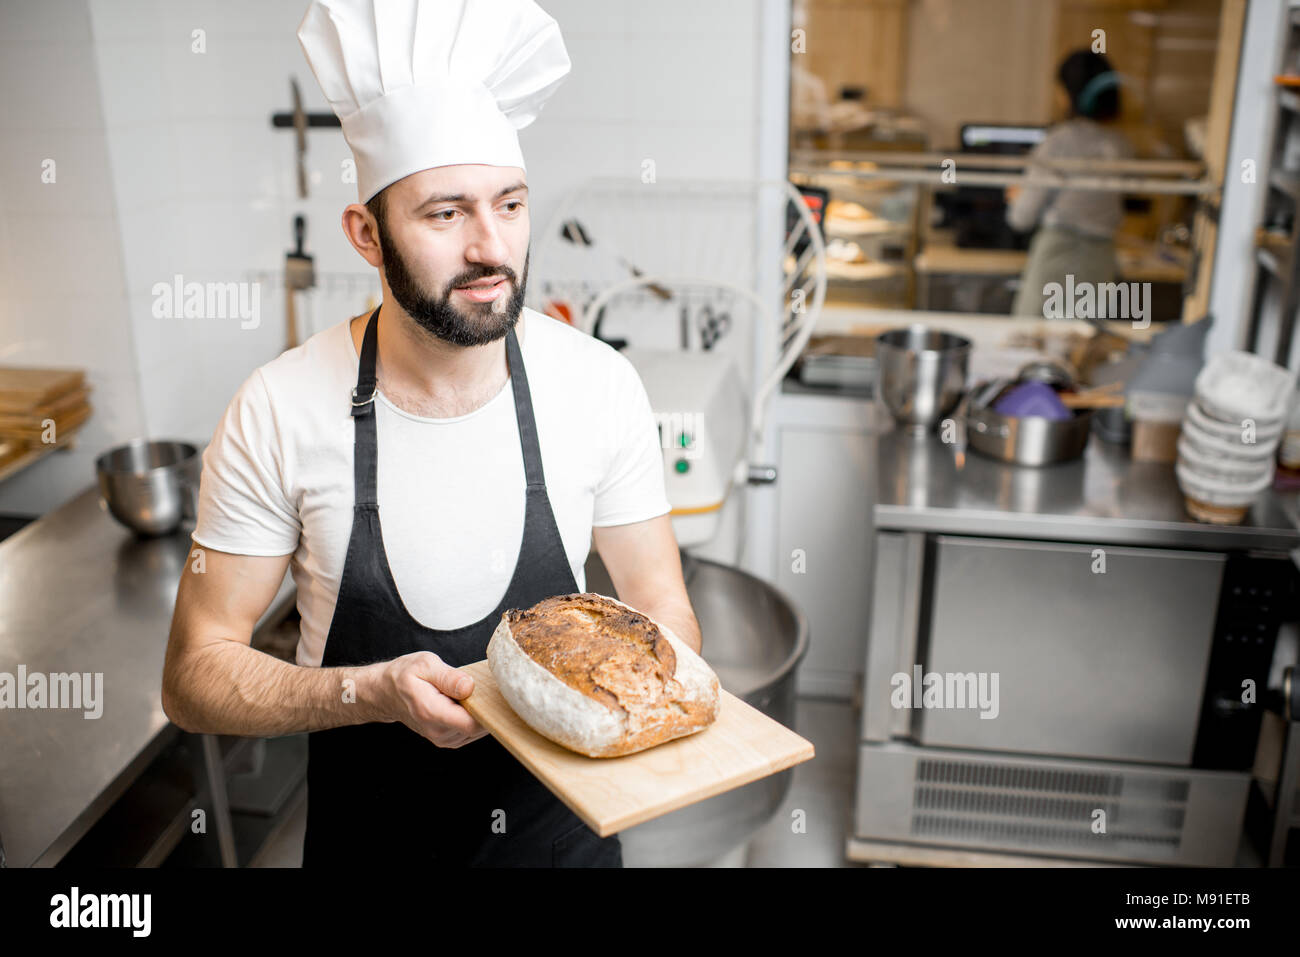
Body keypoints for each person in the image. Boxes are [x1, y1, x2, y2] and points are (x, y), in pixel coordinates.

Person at [161, 0, 701, 868]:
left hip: (562, 851)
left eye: (511, 204)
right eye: (446, 215)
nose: (493, 248)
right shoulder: (278, 408)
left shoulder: (598, 385)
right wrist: (365, 693)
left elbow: (664, 607)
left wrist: (636, 700)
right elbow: (193, 677)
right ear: (367, 235)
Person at [1006, 50, 1133, 318]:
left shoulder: (1059, 141)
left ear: (1068, 94)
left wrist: (1017, 196)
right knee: (1081, 346)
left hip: (1058, 255)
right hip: (1101, 259)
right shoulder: (1121, 144)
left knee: (1030, 342)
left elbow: (1022, 218)